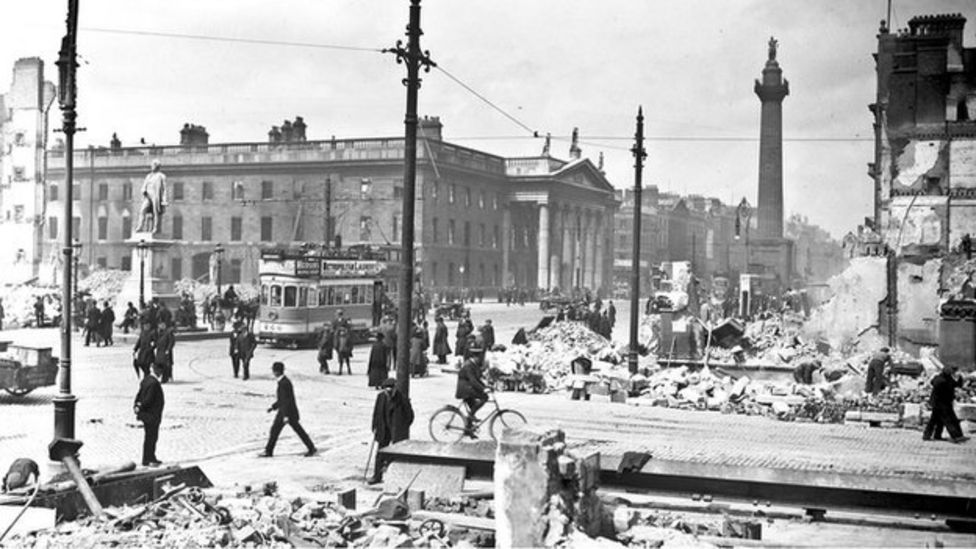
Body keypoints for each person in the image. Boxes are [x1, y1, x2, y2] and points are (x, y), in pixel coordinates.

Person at [260, 362, 317, 457]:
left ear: (277, 371)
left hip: (287, 412)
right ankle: (268, 451)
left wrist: (286, 415)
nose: (273, 373)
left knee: (297, 430)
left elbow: (287, 400)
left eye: (274, 370)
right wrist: (273, 407)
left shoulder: (284, 383)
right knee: (276, 430)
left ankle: (311, 448)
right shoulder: (283, 381)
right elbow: (282, 399)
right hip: (285, 411)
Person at [369, 378, 414, 482]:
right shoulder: (380, 397)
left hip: (396, 430)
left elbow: (410, 416)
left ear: (394, 388)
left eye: (391, 390)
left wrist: (402, 427)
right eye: (386, 390)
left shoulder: (402, 399)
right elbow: (376, 414)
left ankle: (396, 478)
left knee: (396, 455)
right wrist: (375, 427)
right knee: (380, 453)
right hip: (383, 429)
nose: (389, 392)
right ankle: (377, 476)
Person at [923, 364, 969, 443]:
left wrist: (960, 378)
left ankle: (930, 435)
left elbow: (956, 384)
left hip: (938, 403)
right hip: (942, 404)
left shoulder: (940, 378)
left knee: (936, 420)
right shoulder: (943, 381)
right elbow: (953, 386)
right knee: (949, 420)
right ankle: (956, 436)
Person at [134, 363, 165, 466]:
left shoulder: (146, 380)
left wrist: (136, 405)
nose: (161, 374)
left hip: (147, 415)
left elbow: (139, 394)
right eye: (161, 371)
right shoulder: (154, 383)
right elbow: (149, 399)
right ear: (157, 370)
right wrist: (140, 406)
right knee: (151, 438)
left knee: (149, 437)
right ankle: (149, 458)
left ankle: (149, 457)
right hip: (151, 415)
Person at [455, 347, 488, 435]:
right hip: (465, 390)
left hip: (468, 388)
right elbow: (473, 380)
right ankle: (470, 417)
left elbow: (477, 379)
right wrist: (483, 389)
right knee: (484, 397)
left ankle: (468, 429)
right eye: (480, 357)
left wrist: (486, 386)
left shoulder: (473, 364)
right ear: (475, 357)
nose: (481, 359)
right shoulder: (468, 365)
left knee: (473, 407)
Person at [137, 160, 167, 234]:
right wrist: (143, 190)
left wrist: (164, 200)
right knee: (142, 210)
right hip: (148, 196)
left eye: (153, 165)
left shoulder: (161, 176)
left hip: (156, 196)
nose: (151, 167)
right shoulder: (148, 176)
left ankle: (155, 228)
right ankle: (140, 226)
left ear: (157, 166)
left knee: (156, 212)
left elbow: (164, 189)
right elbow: (144, 186)